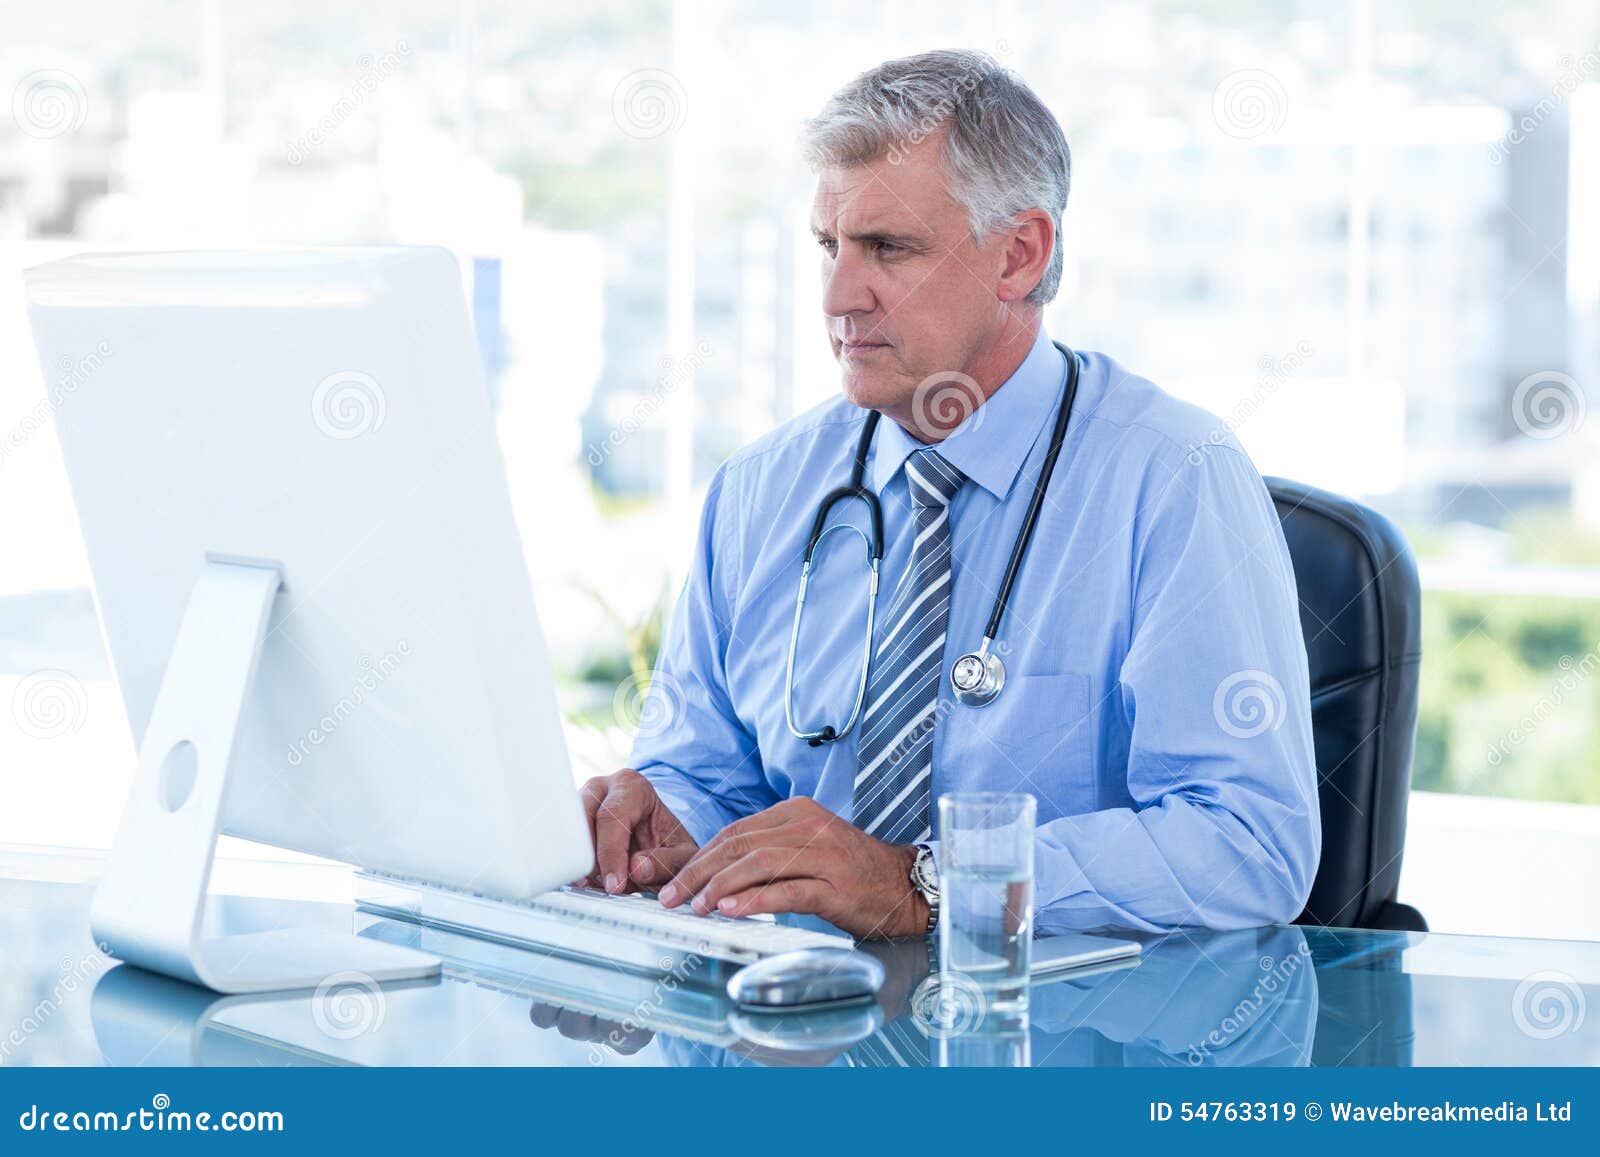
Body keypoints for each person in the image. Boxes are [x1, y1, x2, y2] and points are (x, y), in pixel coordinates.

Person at [578, 49, 1320, 938]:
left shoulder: (1172, 478)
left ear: (1019, 254)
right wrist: (664, 825)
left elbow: (1249, 846)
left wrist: (933, 884)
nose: (840, 295)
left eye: (888, 248)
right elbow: (706, 772)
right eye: (828, 246)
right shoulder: (759, 489)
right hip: (801, 1044)